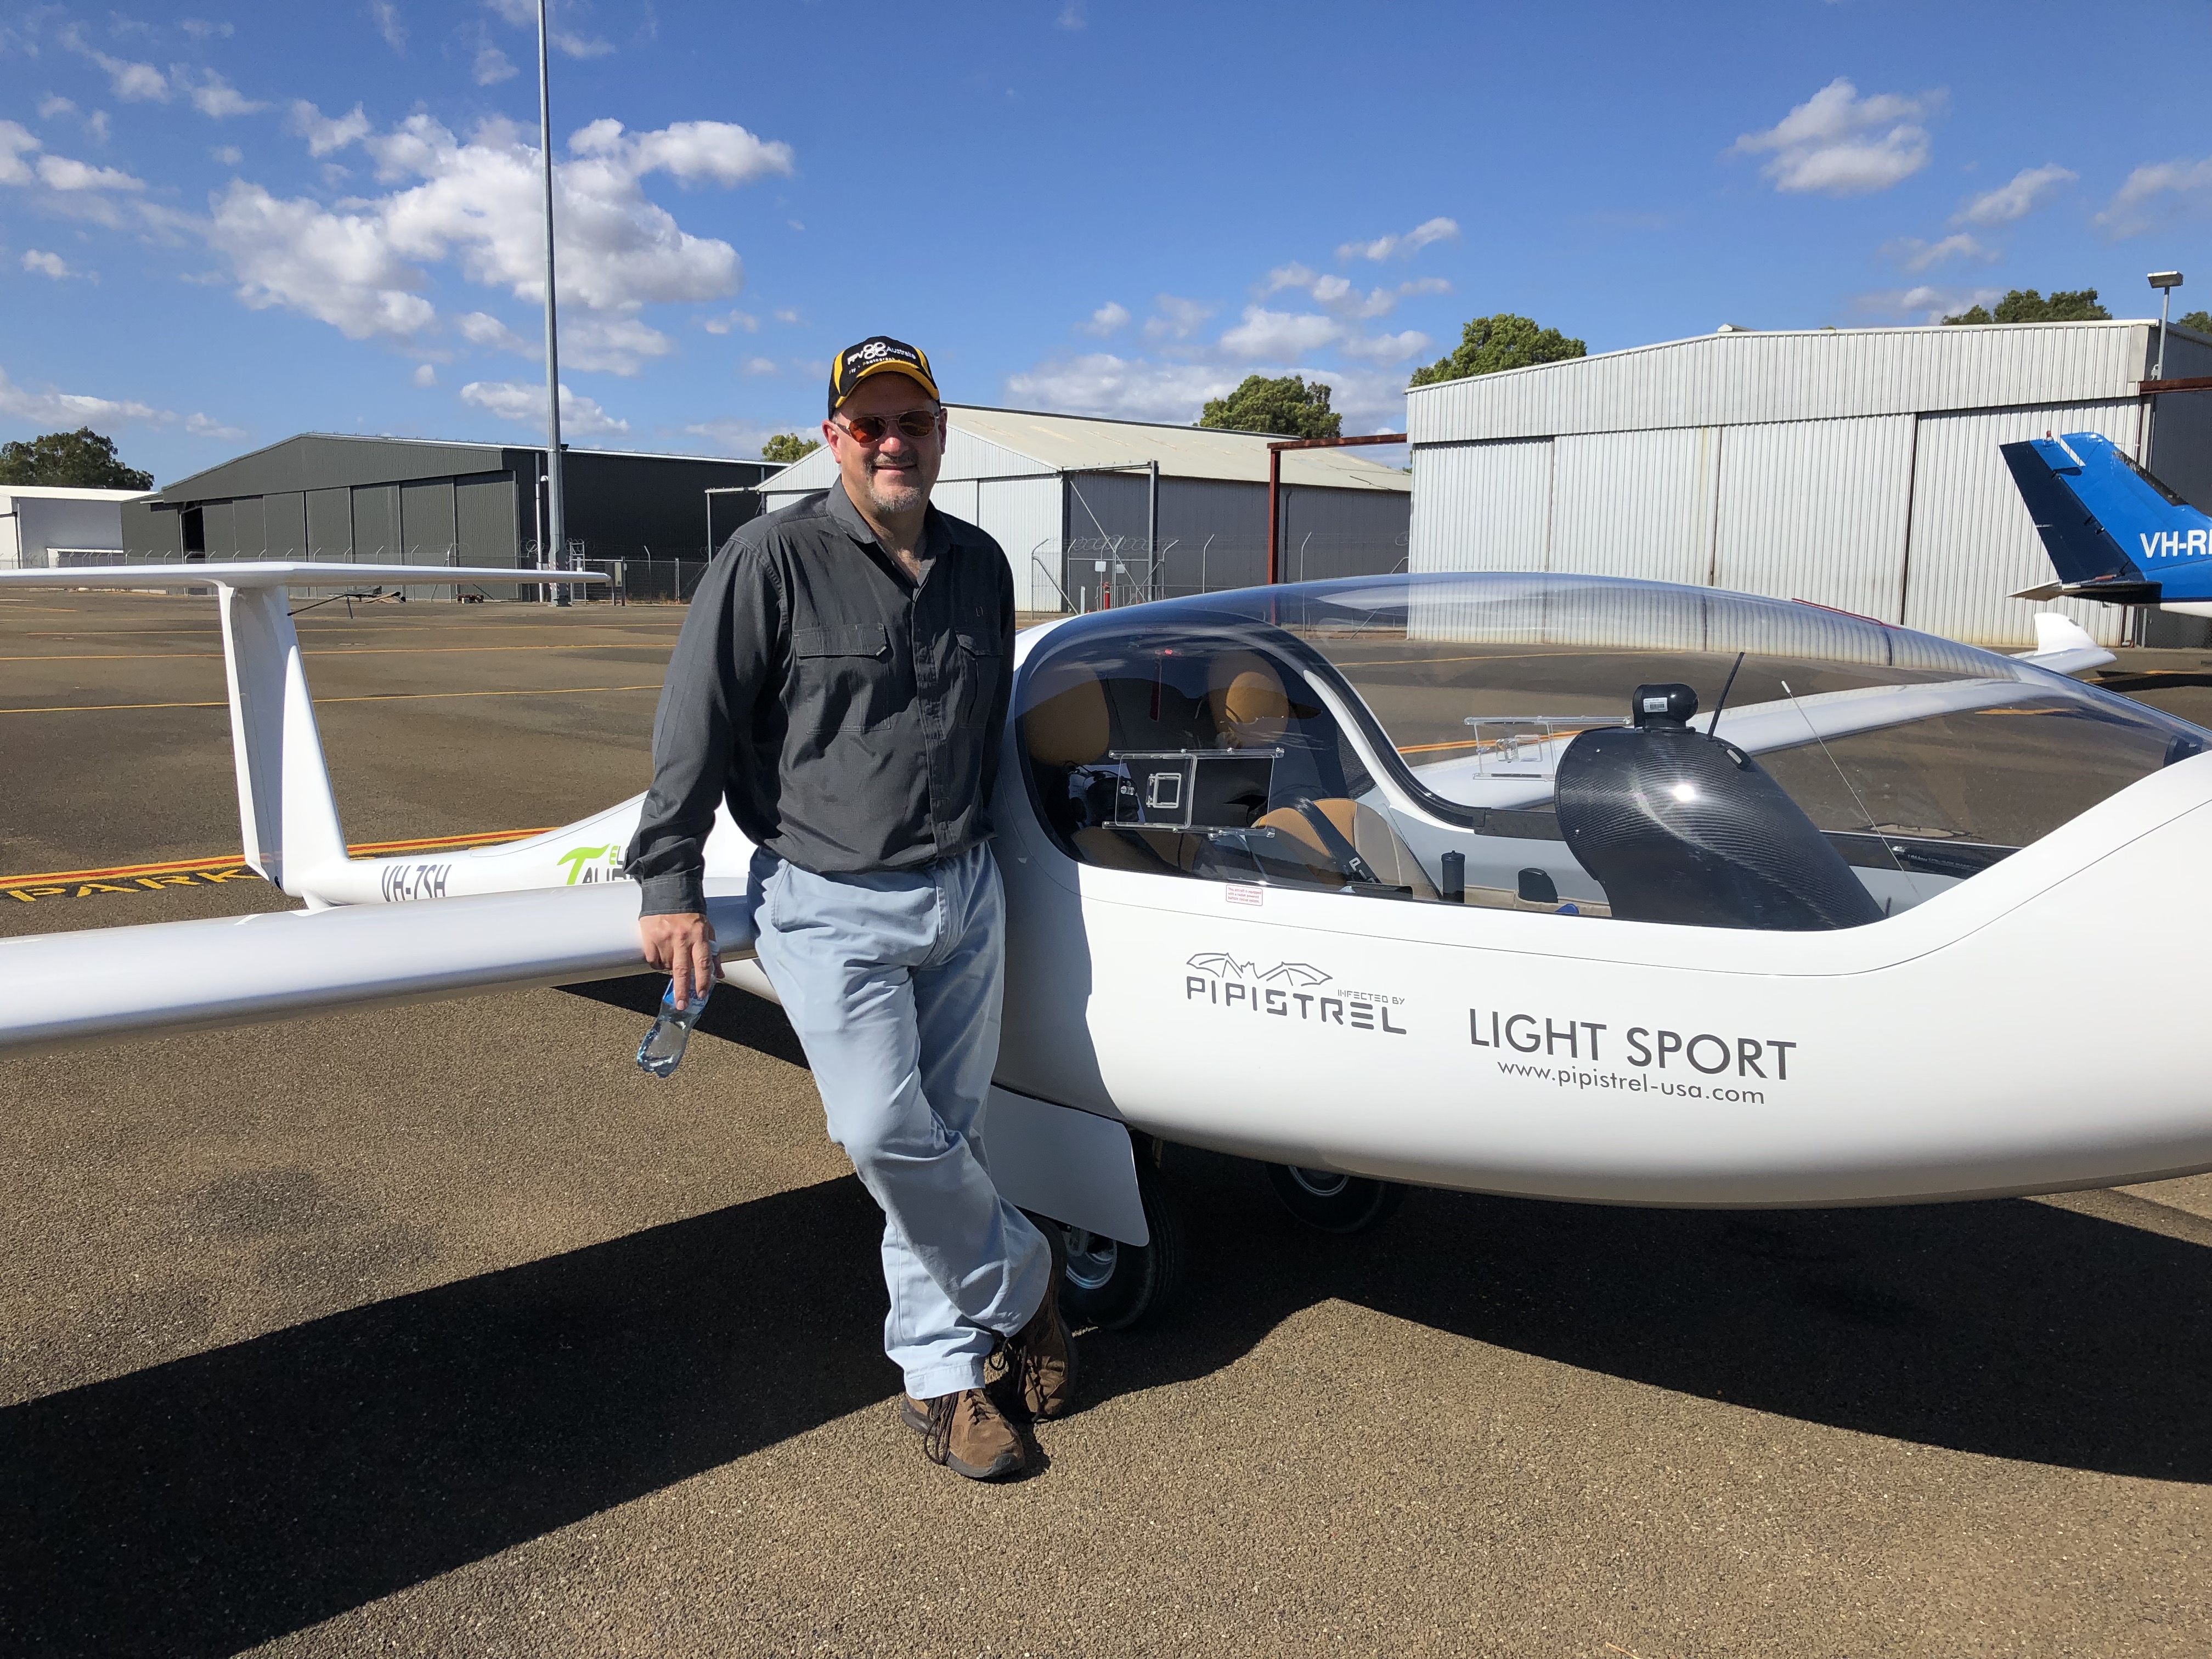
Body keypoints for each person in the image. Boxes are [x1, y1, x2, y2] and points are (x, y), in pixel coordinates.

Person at [624, 336, 1074, 1481]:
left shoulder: (979, 564)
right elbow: (695, 724)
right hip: (828, 903)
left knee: (950, 1140)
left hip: (966, 895)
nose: (890, 443)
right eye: (866, 424)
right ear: (833, 438)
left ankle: (942, 1381)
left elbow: (986, 730)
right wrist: (670, 881)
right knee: (883, 1134)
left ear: (938, 436)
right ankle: (1024, 1286)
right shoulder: (768, 559)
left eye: (910, 423)